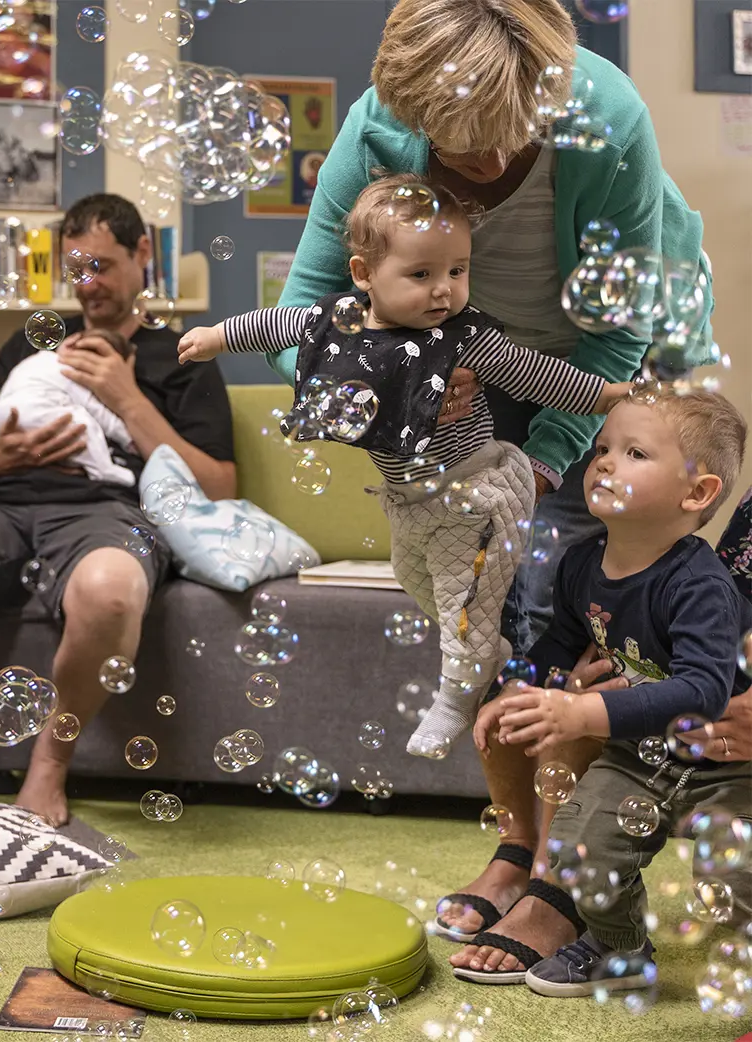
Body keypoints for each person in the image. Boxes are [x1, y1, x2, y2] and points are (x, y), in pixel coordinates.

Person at [276, 0, 711, 972]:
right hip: (473, 361)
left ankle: (568, 879)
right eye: (450, 146)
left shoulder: (605, 115)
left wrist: (549, 469)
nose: (475, 170)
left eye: (499, 146)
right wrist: (389, 396)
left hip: (622, 354)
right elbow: (308, 316)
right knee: (485, 602)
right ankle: (518, 847)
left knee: (587, 597)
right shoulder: (377, 129)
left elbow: (613, 341)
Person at [178, 173, 632, 757]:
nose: (444, 290)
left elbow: (541, 376)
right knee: (418, 582)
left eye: (457, 271)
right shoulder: (341, 318)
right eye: (421, 275)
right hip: (411, 501)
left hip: (476, 492)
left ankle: (453, 697)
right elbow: (272, 323)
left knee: (460, 604)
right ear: (365, 275)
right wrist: (217, 335)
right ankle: (480, 651)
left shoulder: (463, 339)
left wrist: (609, 396)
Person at [0, 192, 236, 826]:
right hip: (3, 507)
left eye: (103, 266)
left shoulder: (182, 356)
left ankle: (47, 767)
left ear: (143, 252)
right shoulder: (33, 345)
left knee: (112, 592)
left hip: (110, 512)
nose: (88, 285)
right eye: (77, 270)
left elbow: (219, 488)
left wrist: (125, 399)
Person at [464, 390, 750, 990]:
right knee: (574, 844)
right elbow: (555, 649)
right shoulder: (580, 564)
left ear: (696, 494)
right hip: (638, 754)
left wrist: (583, 711)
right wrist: (515, 691)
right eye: (601, 449)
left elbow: (703, 689)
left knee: (735, 875)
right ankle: (619, 949)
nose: (604, 462)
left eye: (635, 452)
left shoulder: (701, 583)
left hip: (729, 766)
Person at [0, 327, 139, 486]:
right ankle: (103, 470)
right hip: (35, 410)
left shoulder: (34, 361)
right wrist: (128, 439)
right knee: (83, 422)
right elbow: (98, 412)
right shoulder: (69, 371)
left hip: (2, 418)